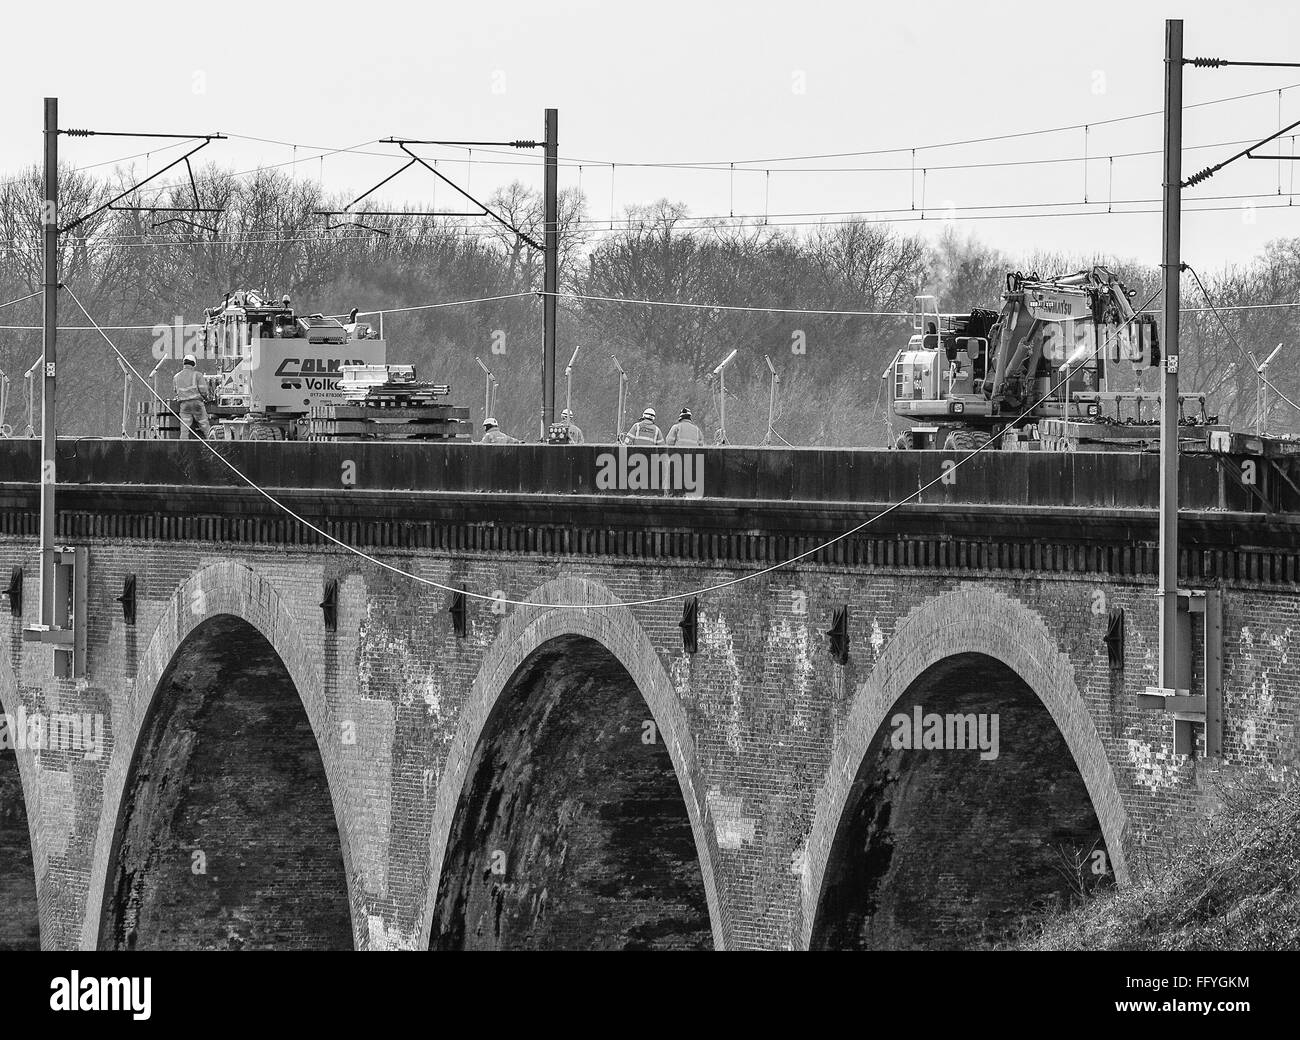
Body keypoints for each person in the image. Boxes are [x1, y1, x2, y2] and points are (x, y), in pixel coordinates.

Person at [172, 353, 211, 439]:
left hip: (184, 406)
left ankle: (183, 447)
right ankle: (212, 444)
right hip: (197, 404)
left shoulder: (176, 377)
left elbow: (175, 391)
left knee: (184, 429)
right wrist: (206, 398)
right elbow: (203, 391)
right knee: (205, 426)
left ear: (184, 364)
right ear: (194, 364)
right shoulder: (197, 375)